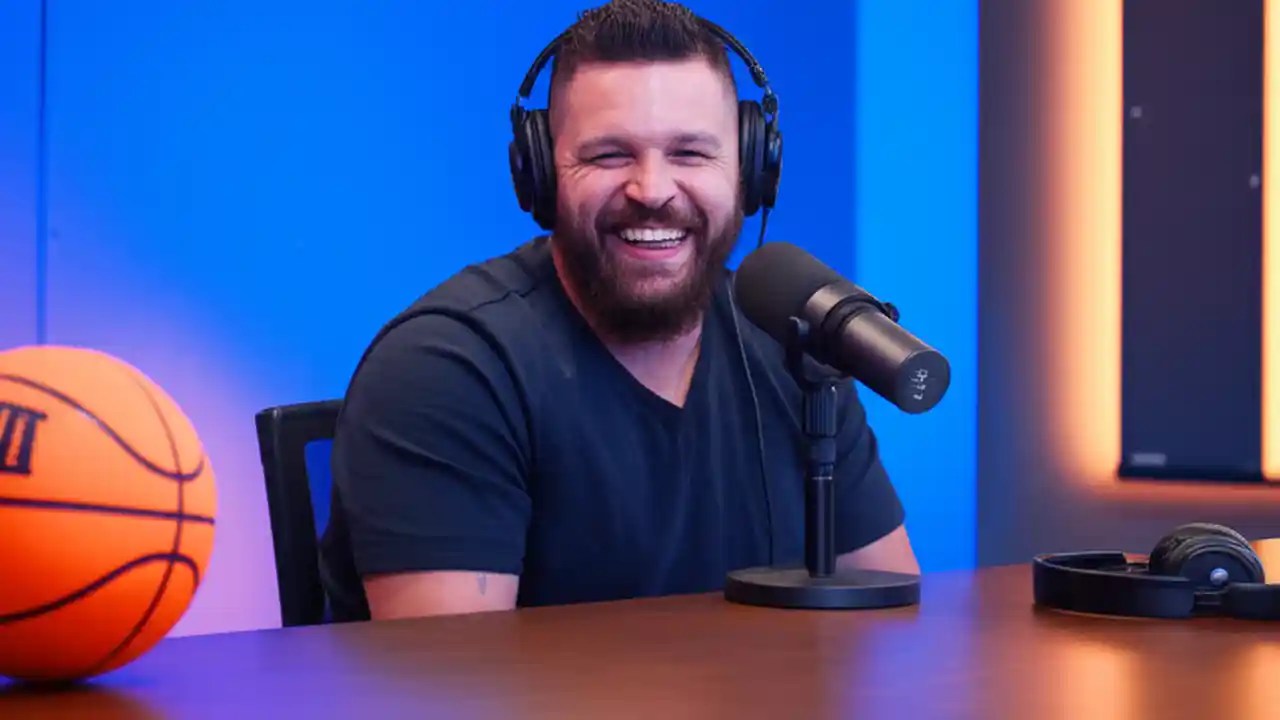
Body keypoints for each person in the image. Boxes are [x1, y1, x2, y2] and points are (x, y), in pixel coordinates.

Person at [317, 0, 918, 623]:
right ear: (540, 175)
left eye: (690, 153)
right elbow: (450, 675)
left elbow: (894, 628)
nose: (652, 189)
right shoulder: (446, 370)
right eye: (608, 155)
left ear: (751, 170)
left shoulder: (794, 346)